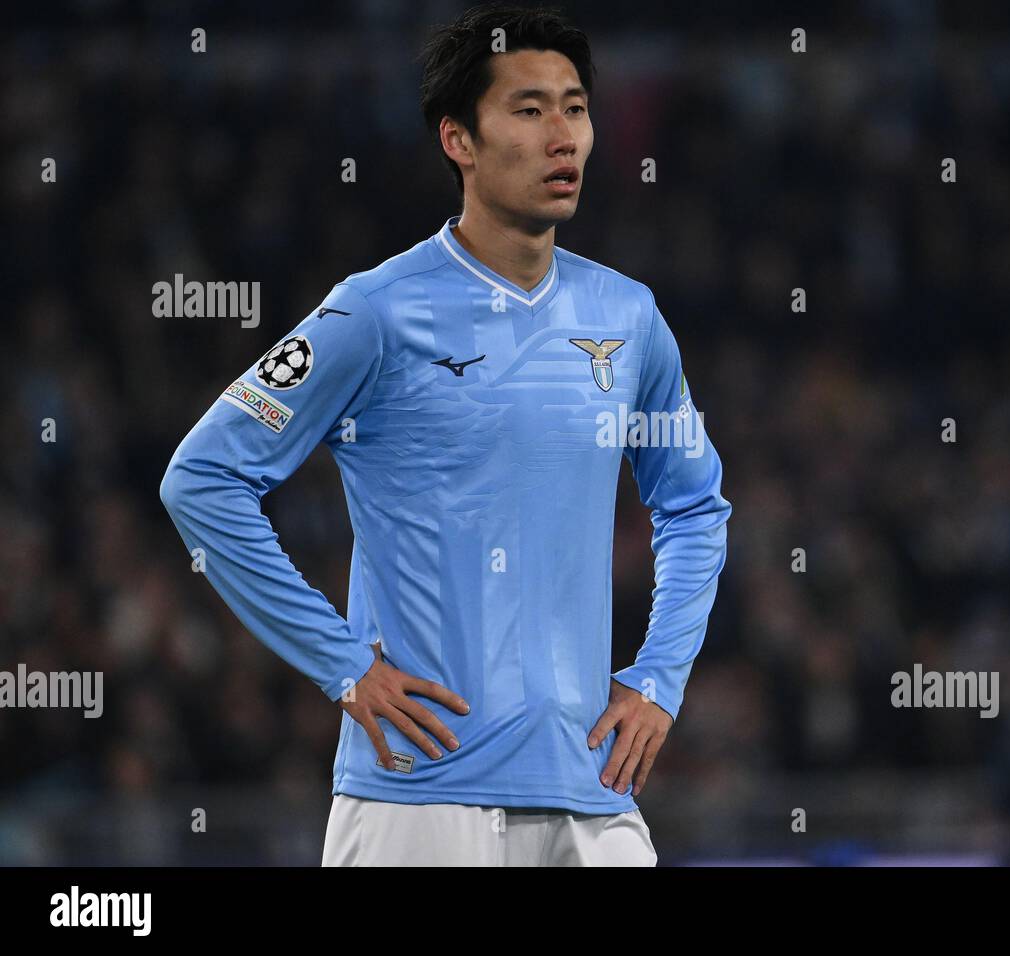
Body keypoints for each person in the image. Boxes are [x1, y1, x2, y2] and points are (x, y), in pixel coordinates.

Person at [158, 3, 730, 866]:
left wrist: (659, 680)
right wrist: (343, 665)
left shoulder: (629, 316)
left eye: (575, 108)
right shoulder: (374, 312)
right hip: (419, 800)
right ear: (458, 140)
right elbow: (201, 479)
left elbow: (694, 506)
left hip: (591, 792)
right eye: (529, 110)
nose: (562, 136)